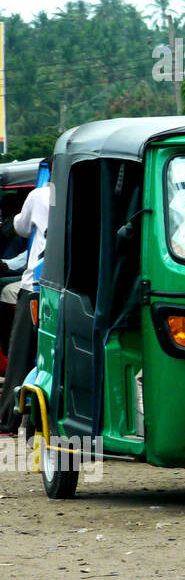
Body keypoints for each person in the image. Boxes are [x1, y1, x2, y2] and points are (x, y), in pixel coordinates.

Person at [0, 181, 50, 434]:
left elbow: (21, 227)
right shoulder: (84, 192)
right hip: (70, 286)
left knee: (20, 354)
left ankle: (8, 418)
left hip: (36, 287)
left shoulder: (40, 194)